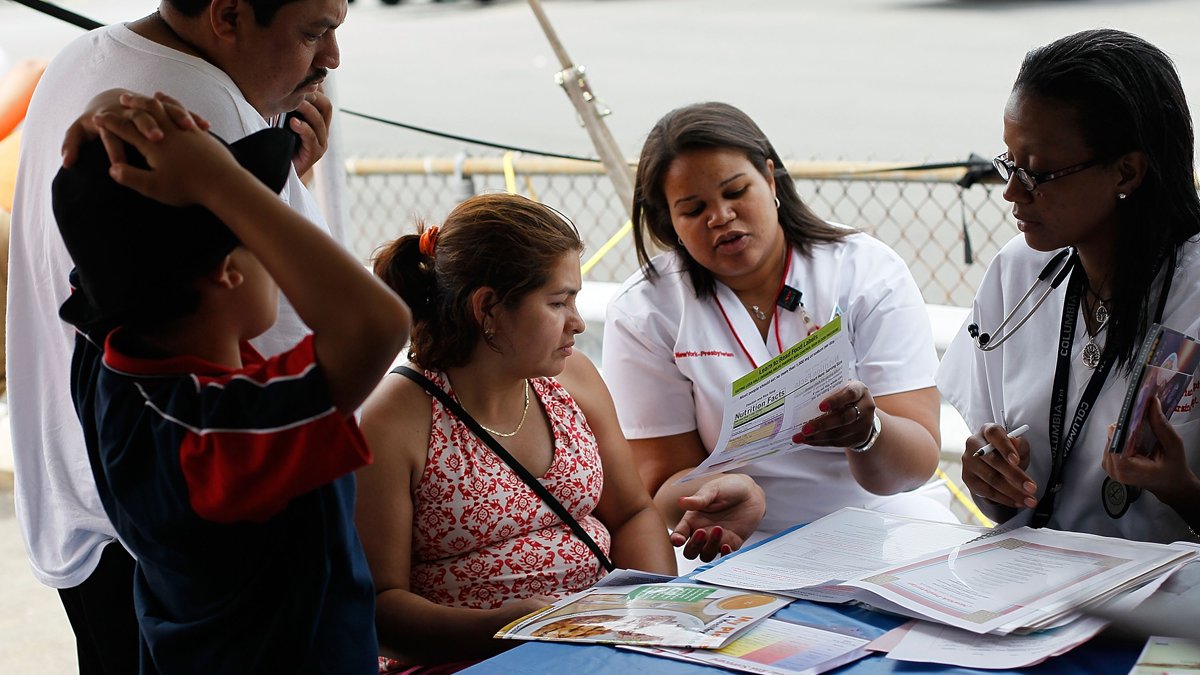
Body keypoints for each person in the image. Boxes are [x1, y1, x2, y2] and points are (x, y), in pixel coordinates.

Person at [6, 2, 341, 671]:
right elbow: (330, 331)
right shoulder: (198, 110)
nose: (329, 61)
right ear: (227, 15)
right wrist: (256, 191)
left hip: (93, 524)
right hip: (214, 576)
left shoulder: (88, 60)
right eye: (312, 33)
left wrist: (278, 171)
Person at [56, 92, 408, 673]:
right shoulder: (220, 433)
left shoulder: (111, 366)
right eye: (255, 233)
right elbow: (377, 324)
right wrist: (221, 185)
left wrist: (106, 124)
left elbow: (110, 239)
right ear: (229, 272)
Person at [355, 194, 682, 671]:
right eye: (557, 301)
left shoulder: (574, 380)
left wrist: (651, 625)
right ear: (487, 307)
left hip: (599, 650)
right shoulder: (395, 419)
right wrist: (509, 627)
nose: (576, 321)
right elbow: (380, 608)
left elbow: (633, 513)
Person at [602, 101, 943, 546]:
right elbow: (662, 485)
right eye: (693, 208)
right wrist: (718, 494)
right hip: (741, 537)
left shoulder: (866, 271)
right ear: (669, 222)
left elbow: (917, 462)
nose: (720, 217)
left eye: (735, 191)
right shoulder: (645, 310)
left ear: (769, 177)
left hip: (884, 520)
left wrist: (867, 431)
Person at [938, 29, 1200, 543]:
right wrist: (991, 480)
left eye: (1036, 173)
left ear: (1126, 172)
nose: (1013, 192)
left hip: (1166, 608)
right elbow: (1003, 500)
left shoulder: (1190, 292)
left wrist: (1183, 491)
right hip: (1034, 586)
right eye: (1009, 164)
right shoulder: (1016, 272)